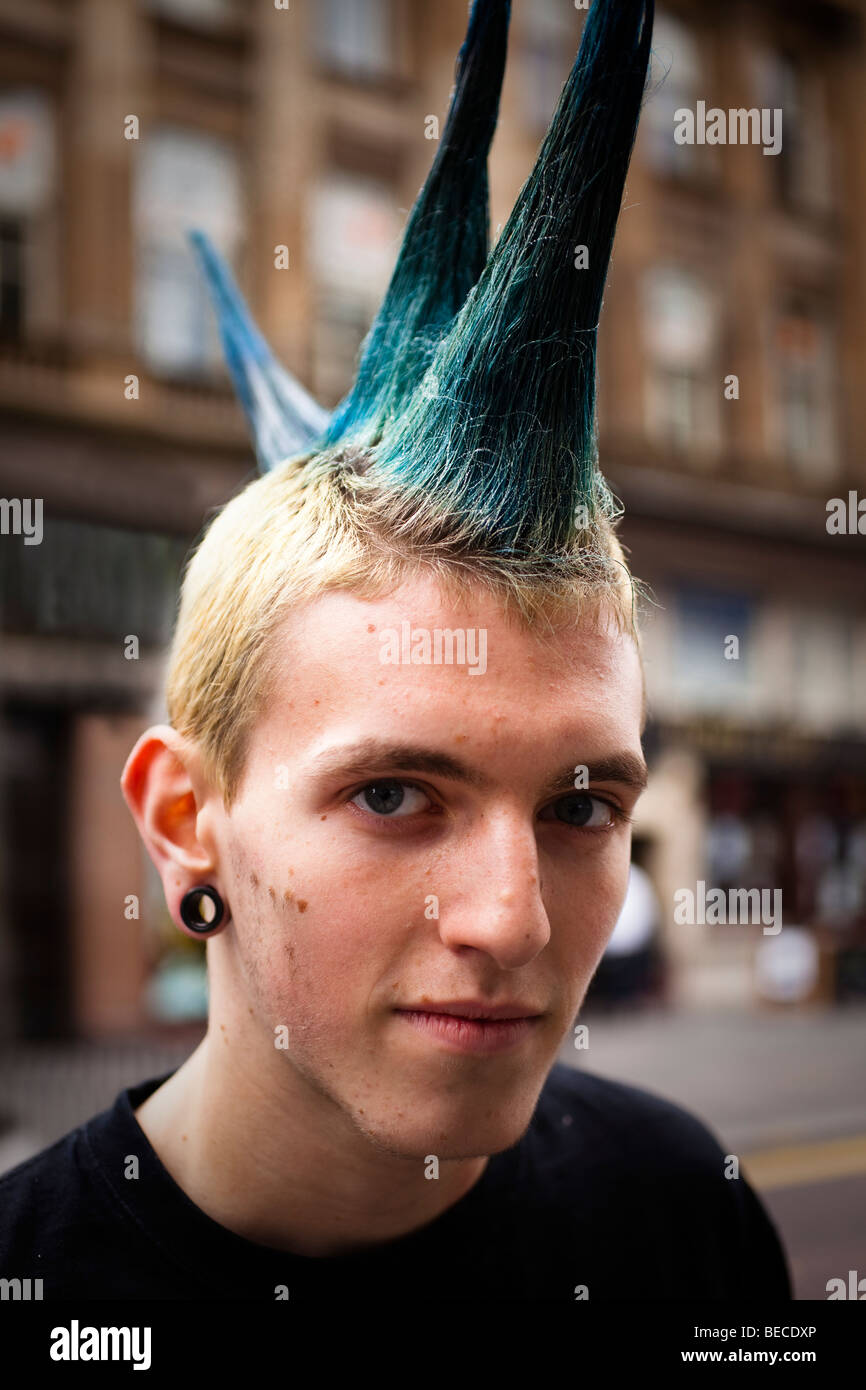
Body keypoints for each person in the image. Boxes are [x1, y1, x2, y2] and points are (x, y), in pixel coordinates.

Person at [0, 0, 792, 1300]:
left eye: (583, 804)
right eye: (391, 794)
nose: (511, 917)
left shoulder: (682, 1220)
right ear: (186, 817)